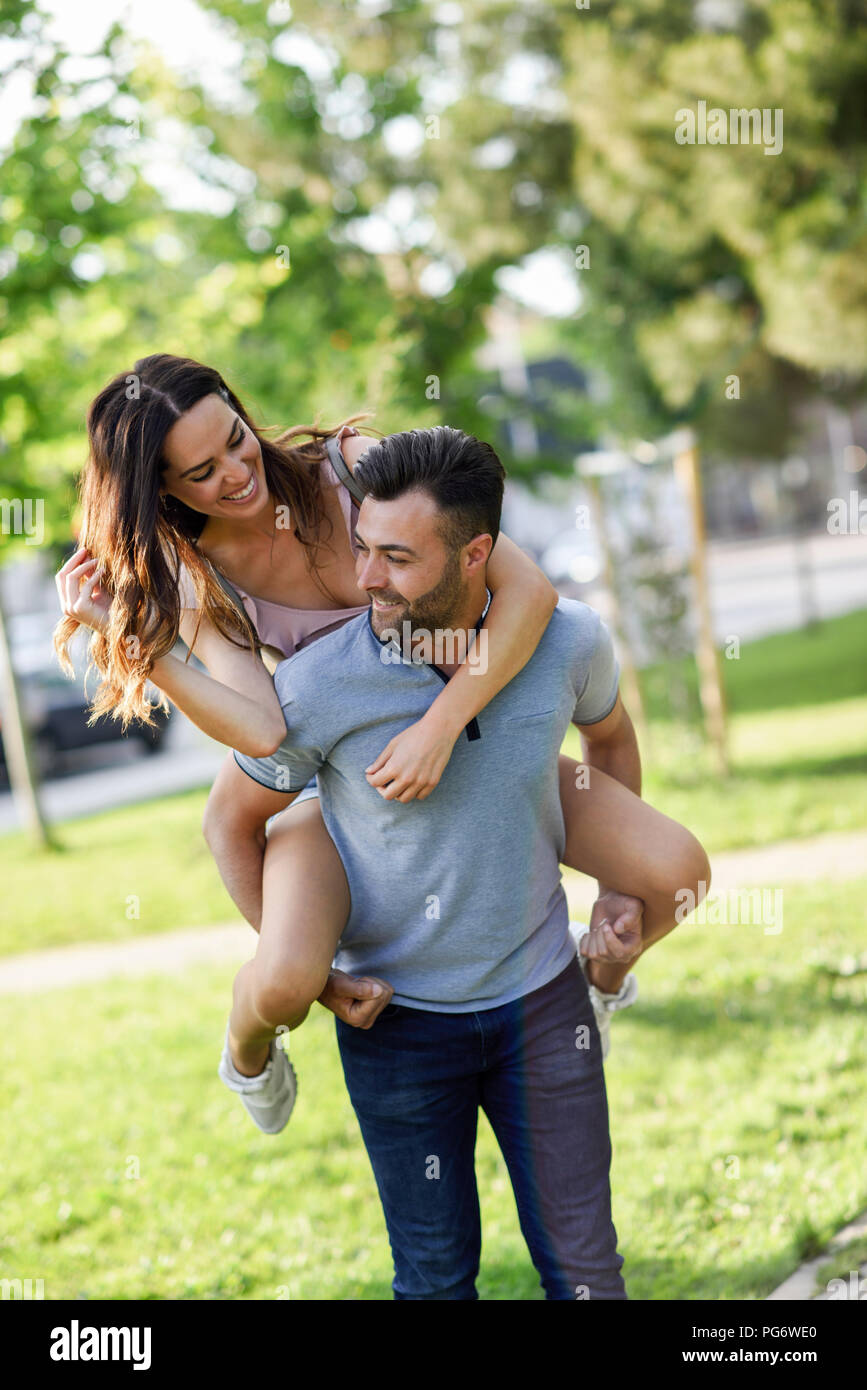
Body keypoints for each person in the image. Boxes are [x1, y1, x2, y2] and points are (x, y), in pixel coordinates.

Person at [54, 355, 707, 1128]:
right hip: (337, 782)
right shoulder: (198, 573)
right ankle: (246, 1051)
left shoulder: (352, 466)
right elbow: (264, 728)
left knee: (675, 875)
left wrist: (437, 727)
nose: (236, 473)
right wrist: (149, 651)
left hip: (467, 740)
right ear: (162, 488)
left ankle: (589, 991)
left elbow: (528, 590)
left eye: (235, 440)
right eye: (201, 471)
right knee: (288, 982)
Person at [204, 425, 709, 1299]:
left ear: (476, 554)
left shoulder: (566, 641)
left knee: (587, 1272)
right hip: (396, 1025)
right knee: (435, 1283)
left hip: (546, 1006)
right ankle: (248, 1052)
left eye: (396, 557)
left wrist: (614, 893)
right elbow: (234, 822)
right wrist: (314, 977)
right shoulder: (319, 686)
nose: (364, 580)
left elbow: (609, 736)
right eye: (362, 548)